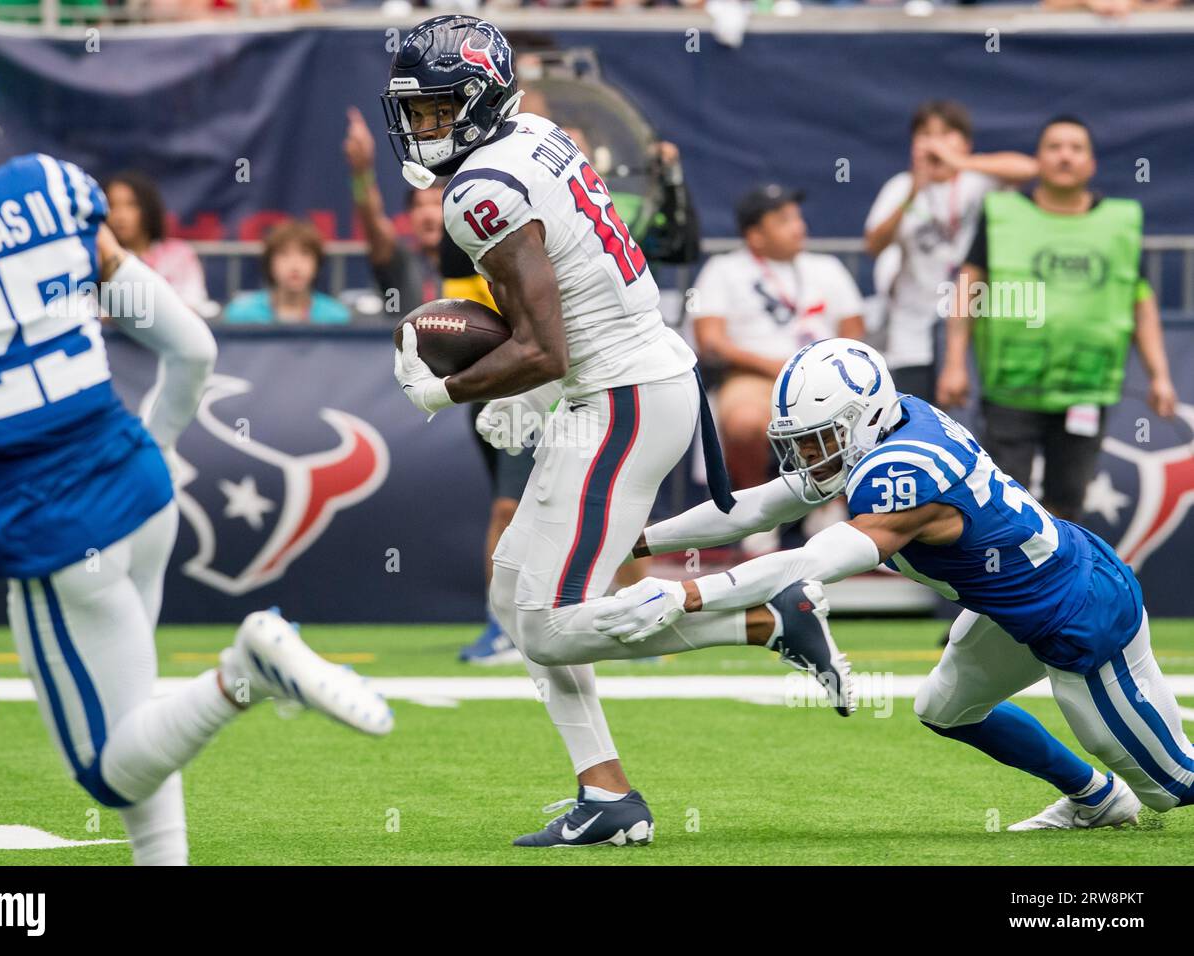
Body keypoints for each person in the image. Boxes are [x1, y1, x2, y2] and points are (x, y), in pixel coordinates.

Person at [0, 30, 391, 866]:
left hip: (54, 527)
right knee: (142, 733)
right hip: (143, 489)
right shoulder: (48, 189)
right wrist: (154, 447)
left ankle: (246, 671)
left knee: (107, 773)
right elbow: (192, 346)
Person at [386, 15, 847, 847]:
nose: (424, 128)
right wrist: (534, 387)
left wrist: (443, 389)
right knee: (512, 594)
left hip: (623, 395)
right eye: (415, 112)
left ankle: (763, 595)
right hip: (627, 379)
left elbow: (541, 344)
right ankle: (608, 792)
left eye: (438, 108)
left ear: (481, 101)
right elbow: (567, 299)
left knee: (553, 621)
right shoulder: (535, 133)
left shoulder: (478, 192)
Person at [600, 337, 1192, 829]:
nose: (806, 455)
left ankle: (1132, 788)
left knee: (1176, 785)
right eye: (800, 440)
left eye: (818, 439)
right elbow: (758, 508)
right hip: (1017, 599)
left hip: (1080, 612)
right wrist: (639, 539)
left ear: (864, 420)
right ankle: (1096, 798)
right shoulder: (889, 423)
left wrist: (687, 593)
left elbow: (809, 563)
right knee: (946, 707)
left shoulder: (901, 472)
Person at [936, 115, 1177, 523]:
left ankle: (1057, 584)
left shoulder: (1118, 224)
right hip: (1012, 391)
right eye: (1054, 147)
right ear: (1038, 160)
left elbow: (1139, 301)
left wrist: (1160, 375)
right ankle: (1004, 583)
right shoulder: (1003, 215)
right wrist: (955, 362)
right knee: (1002, 505)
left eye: (1076, 147)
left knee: (1067, 505)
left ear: (1092, 163)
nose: (1065, 156)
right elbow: (969, 286)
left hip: (1085, 390)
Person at [693, 184, 865, 494]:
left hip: (824, 379)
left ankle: (831, 499)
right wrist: (774, 367)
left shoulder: (827, 267)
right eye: (784, 220)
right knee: (743, 424)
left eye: (797, 218)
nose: (799, 227)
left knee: (860, 417)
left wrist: (829, 367)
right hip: (753, 379)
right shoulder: (723, 269)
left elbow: (854, 330)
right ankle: (756, 502)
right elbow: (711, 341)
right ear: (755, 235)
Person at [864, 100, 1036, 403]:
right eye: (926, 134)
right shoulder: (900, 186)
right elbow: (874, 245)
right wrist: (914, 191)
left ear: (966, 142)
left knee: (968, 428)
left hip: (974, 327)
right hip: (913, 330)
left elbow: (1031, 168)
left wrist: (961, 163)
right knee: (910, 421)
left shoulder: (979, 180)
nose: (935, 142)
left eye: (945, 133)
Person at [344, 105, 444, 317]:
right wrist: (362, 172)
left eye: (436, 204)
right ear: (410, 217)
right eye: (419, 206)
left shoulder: (478, 264)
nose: (427, 214)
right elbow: (372, 222)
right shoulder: (399, 262)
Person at [105, 169, 216, 320]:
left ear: (148, 209)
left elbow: (192, 301)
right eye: (111, 205)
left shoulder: (179, 254)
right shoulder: (98, 258)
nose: (120, 215)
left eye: (131, 205)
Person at [224, 219, 350, 325]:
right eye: (284, 254)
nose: (295, 266)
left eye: (305, 254)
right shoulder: (241, 315)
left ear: (317, 263)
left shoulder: (336, 317)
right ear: (270, 263)